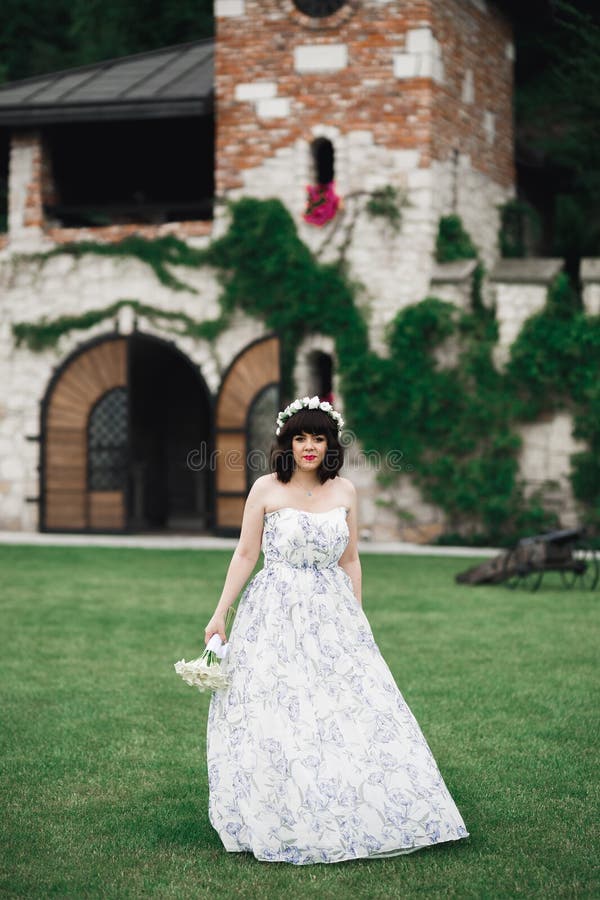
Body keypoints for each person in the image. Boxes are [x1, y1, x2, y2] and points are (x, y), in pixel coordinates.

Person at [204, 396, 469, 865]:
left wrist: (357, 619)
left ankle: (355, 798)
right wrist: (221, 611)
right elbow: (246, 554)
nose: (309, 447)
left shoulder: (345, 492)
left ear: (331, 444)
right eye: (301, 437)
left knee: (345, 705)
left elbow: (350, 560)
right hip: (275, 609)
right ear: (287, 442)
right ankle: (279, 805)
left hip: (332, 611)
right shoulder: (266, 488)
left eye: (319, 438)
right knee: (276, 706)